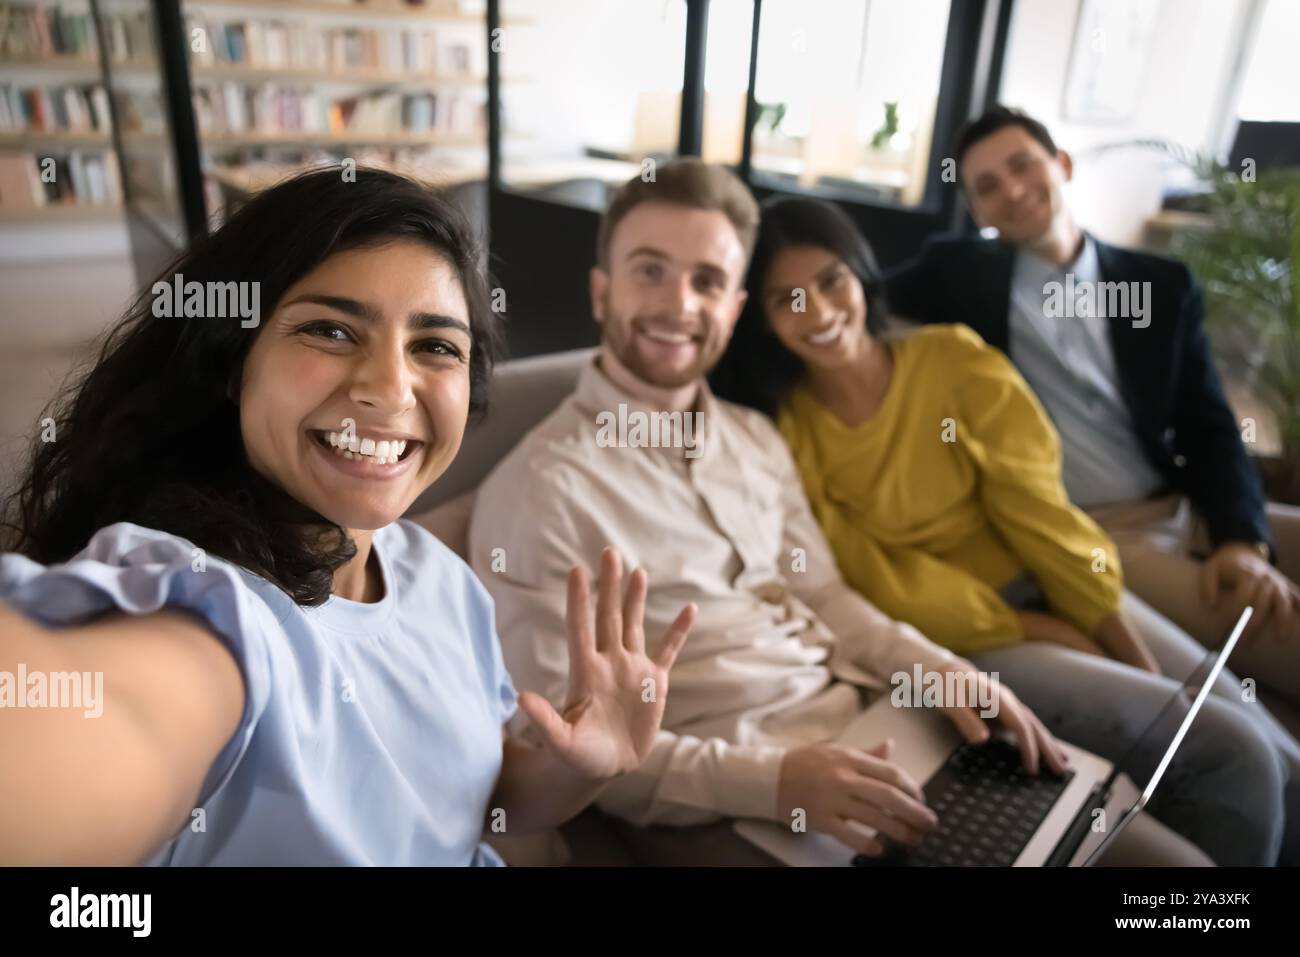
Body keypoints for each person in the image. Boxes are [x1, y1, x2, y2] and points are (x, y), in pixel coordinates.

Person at [469, 158, 1232, 865]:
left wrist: (941, 671)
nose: (679, 303)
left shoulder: (758, 436)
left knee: (1173, 863)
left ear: (734, 309)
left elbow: (826, 595)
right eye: (650, 272)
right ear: (602, 290)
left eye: (708, 281)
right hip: (725, 799)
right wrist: (776, 783)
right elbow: (564, 745)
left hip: (879, 726)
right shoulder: (543, 490)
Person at [0, 167, 695, 866]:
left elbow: (471, 794)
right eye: (331, 330)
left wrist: (580, 767)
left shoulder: (439, 577)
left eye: (435, 346)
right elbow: (110, 725)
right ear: (233, 362)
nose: (389, 390)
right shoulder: (210, 611)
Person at [710, 193, 1300, 866]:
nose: (815, 311)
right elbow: (883, 582)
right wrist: (1041, 630)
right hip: (973, 635)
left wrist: (1117, 639)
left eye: (829, 281)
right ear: (761, 314)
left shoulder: (953, 360)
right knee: (1234, 753)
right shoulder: (789, 435)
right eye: (785, 298)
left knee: (1271, 746)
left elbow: (1041, 513)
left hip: (1066, 586)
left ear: (860, 274)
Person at [883, 107, 1300, 708]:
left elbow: (1208, 423)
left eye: (1023, 165)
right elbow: (843, 289)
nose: (1013, 191)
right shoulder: (957, 276)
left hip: (1184, 500)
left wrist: (1241, 537)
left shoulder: (1158, 284)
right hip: (1098, 530)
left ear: (1063, 164)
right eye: (988, 186)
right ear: (976, 211)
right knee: (1280, 631)